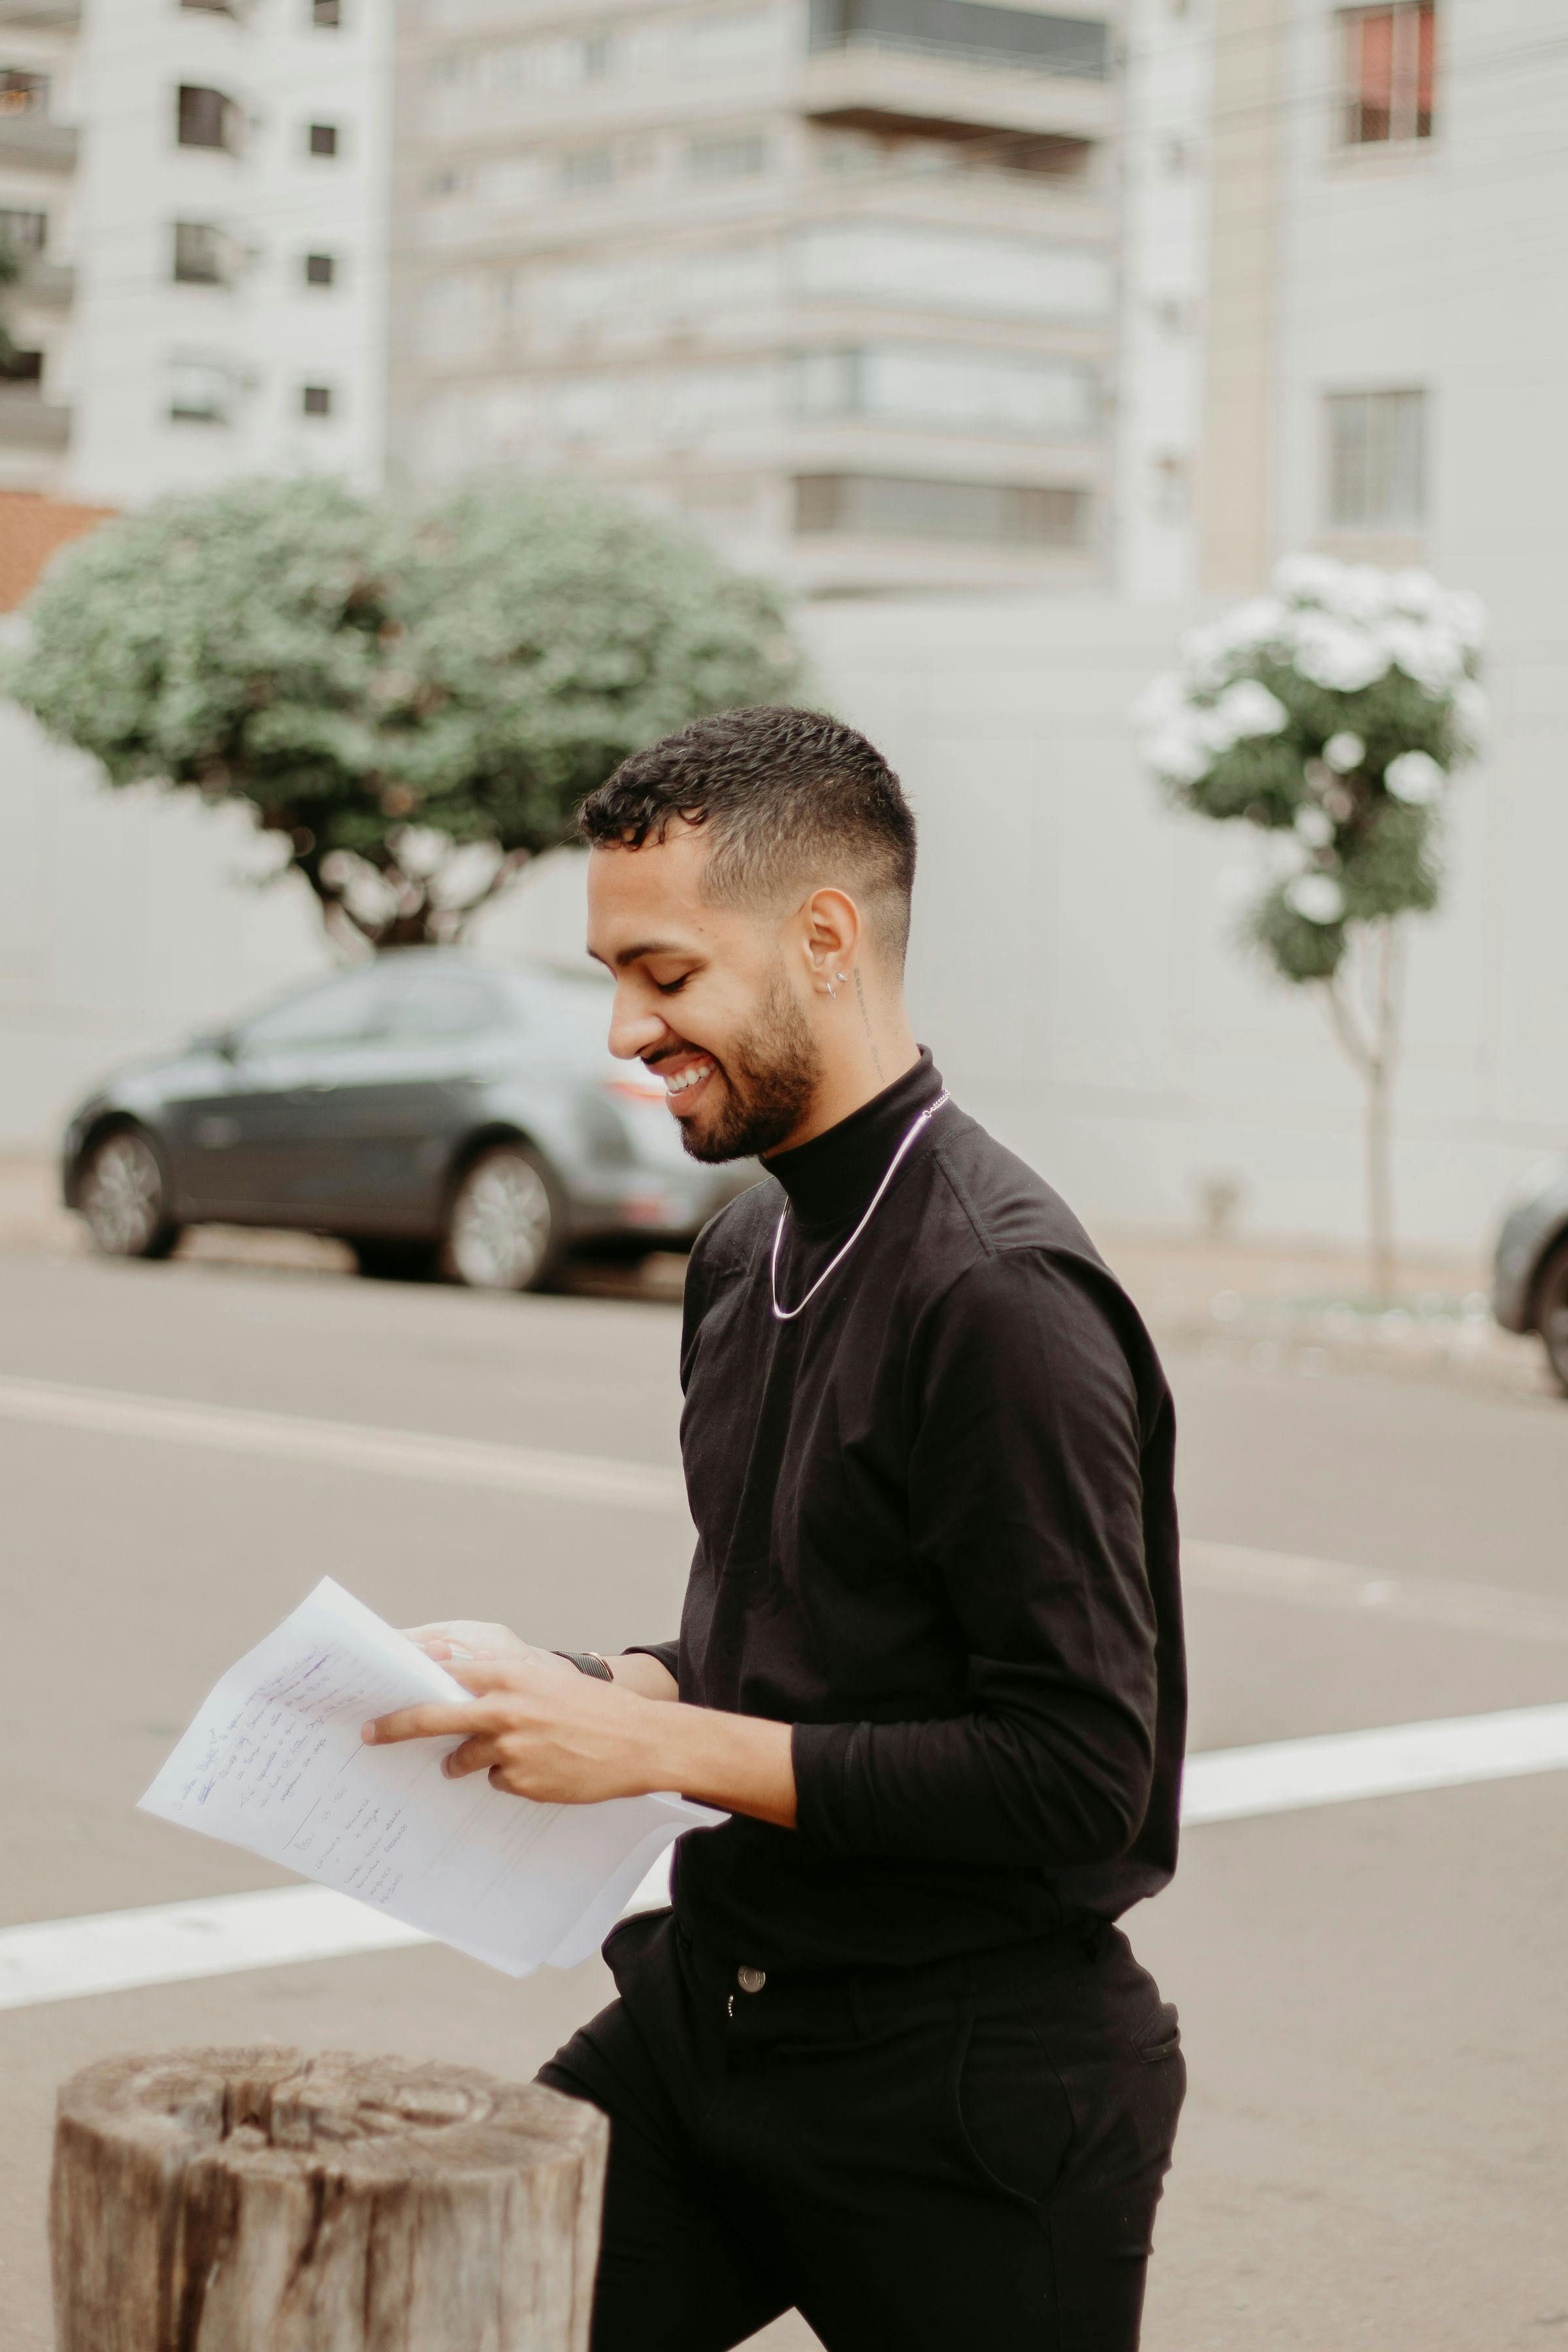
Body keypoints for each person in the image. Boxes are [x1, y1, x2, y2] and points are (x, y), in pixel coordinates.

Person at [364, 706, 1187, 2351]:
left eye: (665, 977)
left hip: (964, 2098)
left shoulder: (1002, 1293)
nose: (626, 1030)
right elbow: (807, 1642)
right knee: (434, 2316)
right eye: (612, 976)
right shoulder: (743, 1253)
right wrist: (599, 1687)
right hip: (712, 2021)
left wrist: (655, 1753)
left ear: (824, 938)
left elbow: (1081, 1770)